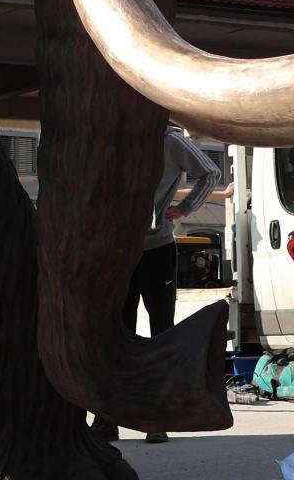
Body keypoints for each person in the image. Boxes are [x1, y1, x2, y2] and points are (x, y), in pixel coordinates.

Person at [91, 125, 219, 444]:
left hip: (157, 248)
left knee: (162, 330)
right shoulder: (115, 137)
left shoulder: (169, 141)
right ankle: (108, 417)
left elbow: (210, 172)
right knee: (118, 329)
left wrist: (184, 208)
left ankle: (157, 417)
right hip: (119, 248)